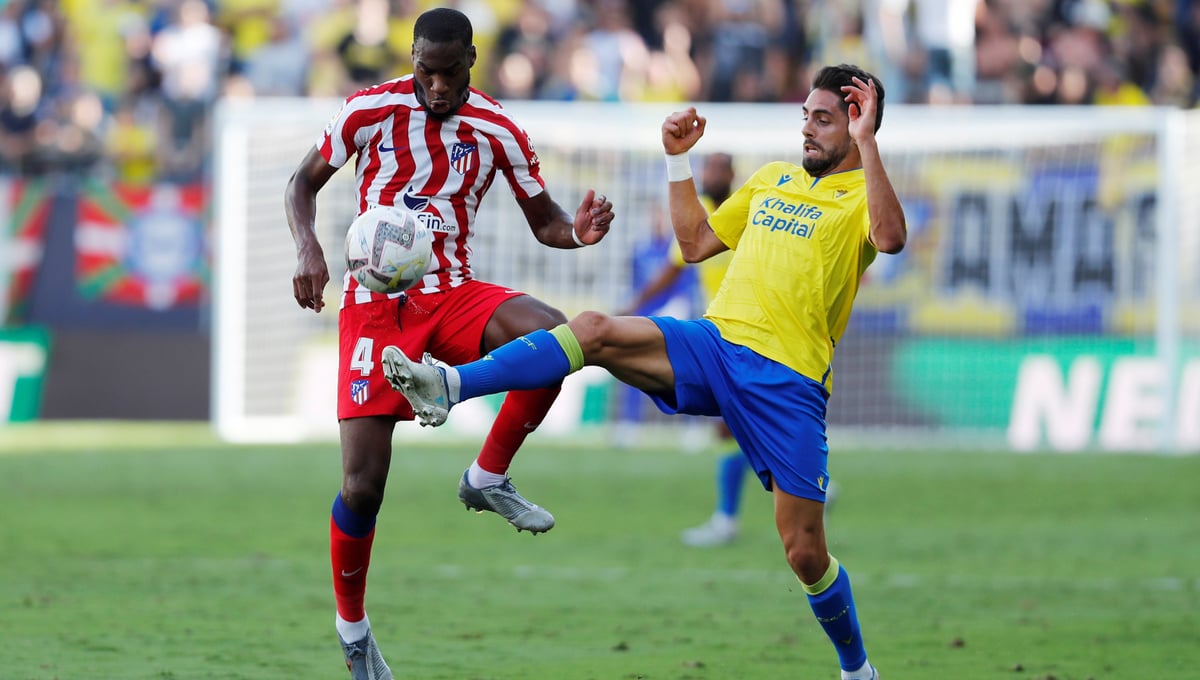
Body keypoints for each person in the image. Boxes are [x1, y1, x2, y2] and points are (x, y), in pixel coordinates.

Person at [382, 63, 905, 680]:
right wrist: (677, 161)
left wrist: (869, 145)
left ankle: (857, 670)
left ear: (857, 125)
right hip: (715, 345)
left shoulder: (861, 197)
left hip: (787, 384)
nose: (808, 131)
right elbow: (695, 244)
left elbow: (891, 239)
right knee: (595, 328)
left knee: (805, 553)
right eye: (806, 118)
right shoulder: (772, 181)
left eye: (824, 120)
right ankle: (449, 384)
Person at [283, 8, 615, 679]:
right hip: (377, 305)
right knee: (363, 487)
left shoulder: (498, 128)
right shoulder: (367, 111)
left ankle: (487, 476)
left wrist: (577, 232)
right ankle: (354, 631)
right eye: (425, 71)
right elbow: (301, 185)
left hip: (453, 293)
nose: (436, 85)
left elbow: (545, 221)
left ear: (472, 60)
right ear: (412, 56)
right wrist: (308, 248)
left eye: (449, 72)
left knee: (553, 337)